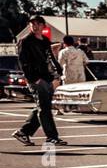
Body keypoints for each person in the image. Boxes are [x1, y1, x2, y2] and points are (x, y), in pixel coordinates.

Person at [11, 15, 67, 146]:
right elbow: (23, 62)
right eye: (32, 24)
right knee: (44, 108)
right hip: (36, 80)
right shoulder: (25, 41)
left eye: (37, 23)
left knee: (43, 106)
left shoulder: (45, 41)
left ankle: (23, 132)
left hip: (47, 77)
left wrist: (58, 72)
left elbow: (50, 58)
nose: (34, 26)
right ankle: (52, 137)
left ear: (43, 25)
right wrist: (33, 79)